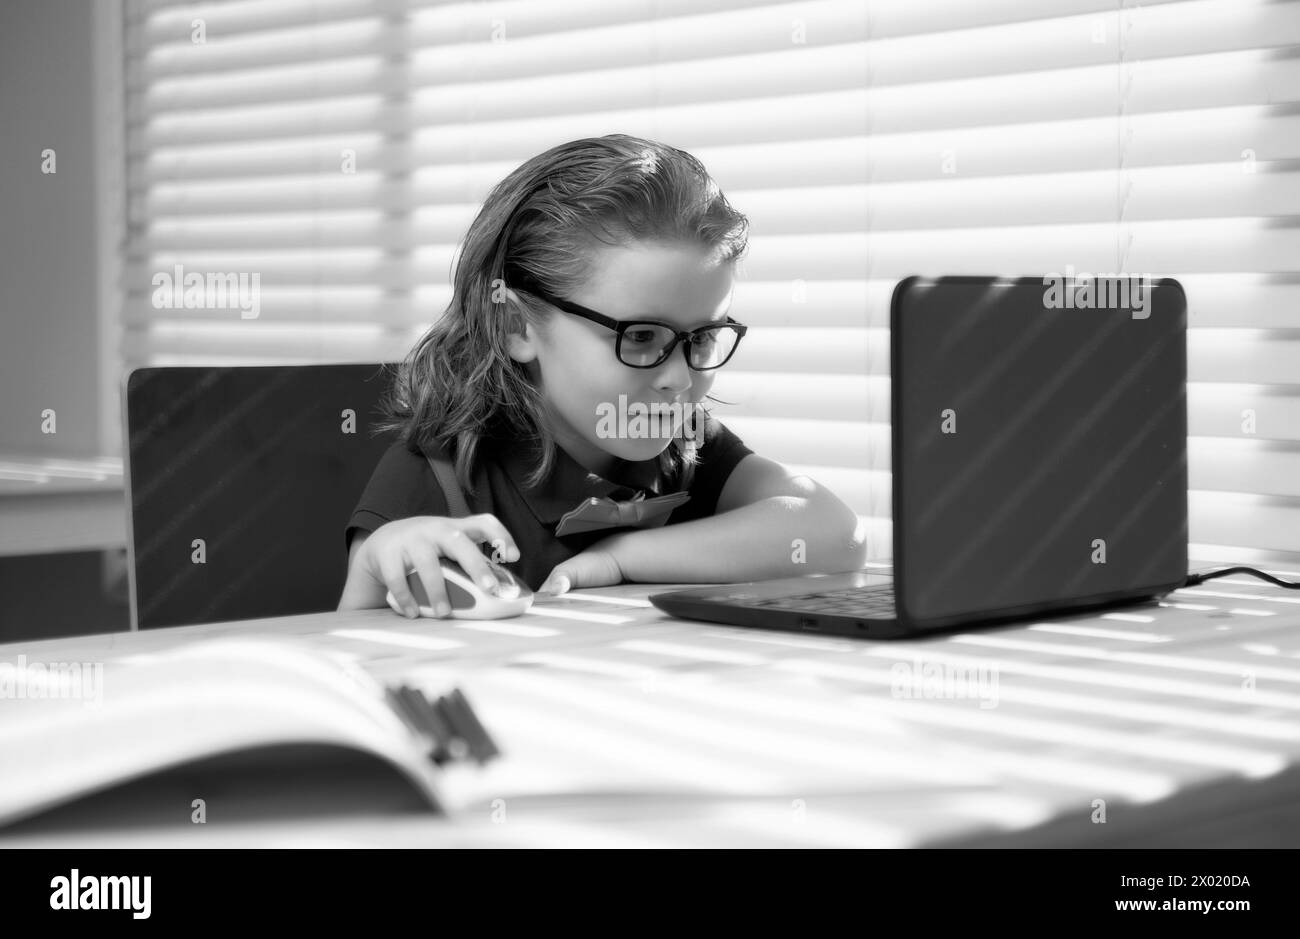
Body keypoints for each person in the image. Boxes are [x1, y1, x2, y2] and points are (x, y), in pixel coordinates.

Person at [337, 134, 865, 618]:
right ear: (515, 325)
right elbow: (340, 660)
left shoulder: (678, 441)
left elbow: (837, 532)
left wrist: (621, 557)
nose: (679, 379)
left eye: (702, 337)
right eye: (640, 337)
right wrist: (371, 566)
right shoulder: (438, 476)